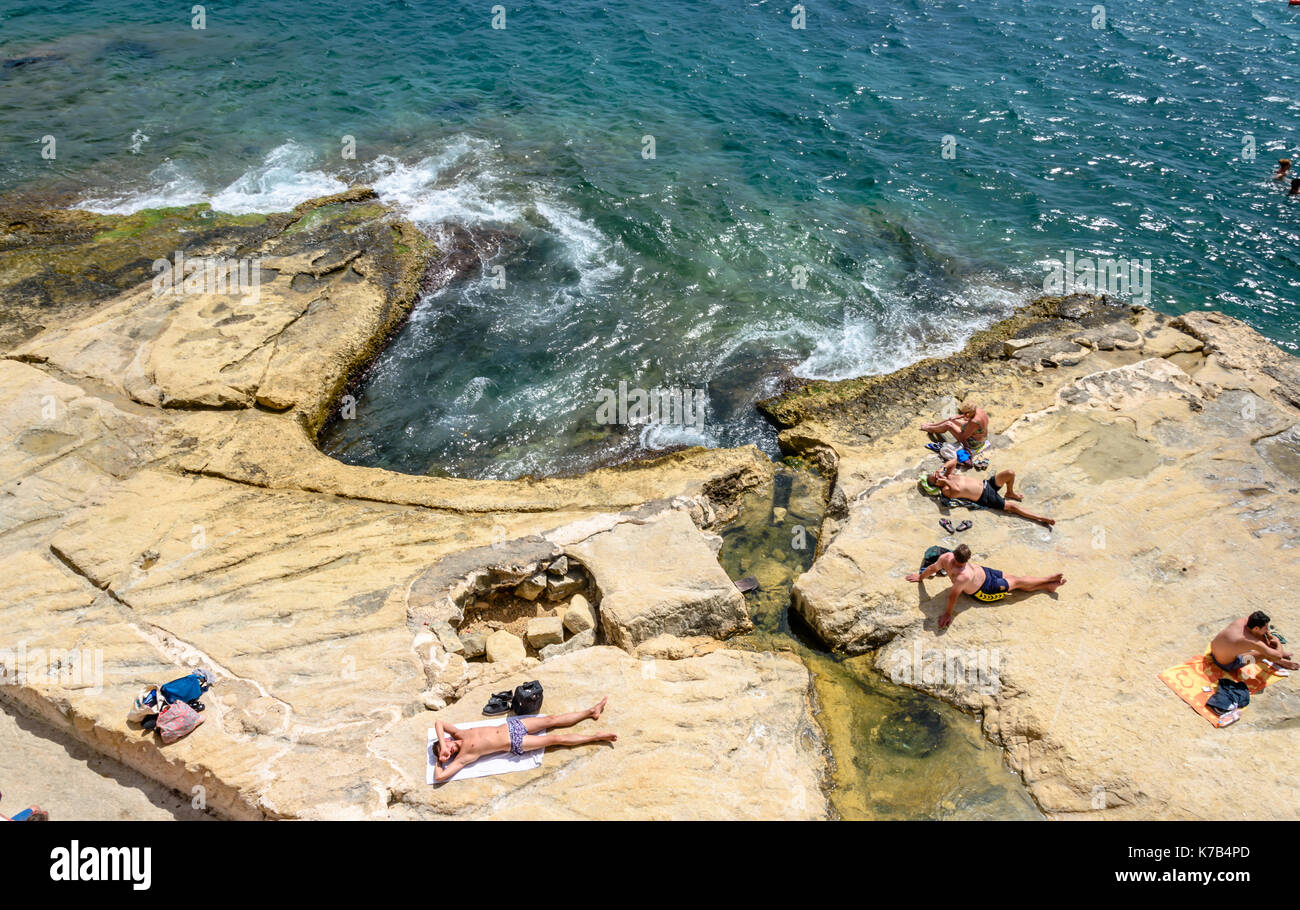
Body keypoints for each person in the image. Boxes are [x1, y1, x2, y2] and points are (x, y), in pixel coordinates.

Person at [432, 697, 616, 782]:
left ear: (446, 741)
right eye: (446, 755)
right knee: (555, 738)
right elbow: (439, 777)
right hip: (515, 743)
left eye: (445, 749)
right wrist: (441, 761)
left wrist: (442, 745)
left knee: (551, 720)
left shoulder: (458, 733)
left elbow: (439, 722)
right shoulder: (463, 756)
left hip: (513, 726)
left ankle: (591, 711)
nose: (449, 753)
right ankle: (595, 737)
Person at [905, 543, 1065, 629]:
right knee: (1018, 582)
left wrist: (921, 577)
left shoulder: (947, 558)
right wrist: (948, 613)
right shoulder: (963, 574)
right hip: (986, 590)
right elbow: (953, 594)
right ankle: (1047, 582)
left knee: (1017, 580)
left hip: (986, 574)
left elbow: (934, 569)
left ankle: (1047, 584)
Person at [926, 462, 1055, 527]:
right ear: (936, 485)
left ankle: (1010, 492)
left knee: (1010, 473)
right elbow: (957, 491)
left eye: (936, 474)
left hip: (987, 484)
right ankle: (1041, 518)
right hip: (985, 497)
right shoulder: (946, 490)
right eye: (936, 479)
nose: (939, 476)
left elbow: (953, 460)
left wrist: (942, 469)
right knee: (1013, 507)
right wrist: (944, 481)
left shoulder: (948, 475)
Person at [1210, 611, 1298, 672]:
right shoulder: (1250, 641)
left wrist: (1268, 635)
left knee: (1261, 636)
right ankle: (1279, 661)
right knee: (1265, 653)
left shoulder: (1242, 621)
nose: (1267, 630)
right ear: (1256, 627)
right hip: (1224, 664)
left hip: (1213, 650)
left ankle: (1273, 650)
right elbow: (1278, 656)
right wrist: (1278, 642)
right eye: (1266, 627)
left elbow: (1260, 632)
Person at [921, 400, 989, 453]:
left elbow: (963, 436)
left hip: (973, 442)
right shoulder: (978, 410)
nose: (965, 415)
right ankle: (932, 425)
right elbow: (967, 417)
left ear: (971, 411)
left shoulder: (974, 421)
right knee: (950, 419)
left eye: (966, 413)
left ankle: (930, 428)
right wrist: (957, 417)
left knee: (948, 424)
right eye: (963, 413)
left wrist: (966, 448)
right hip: (979, 434)